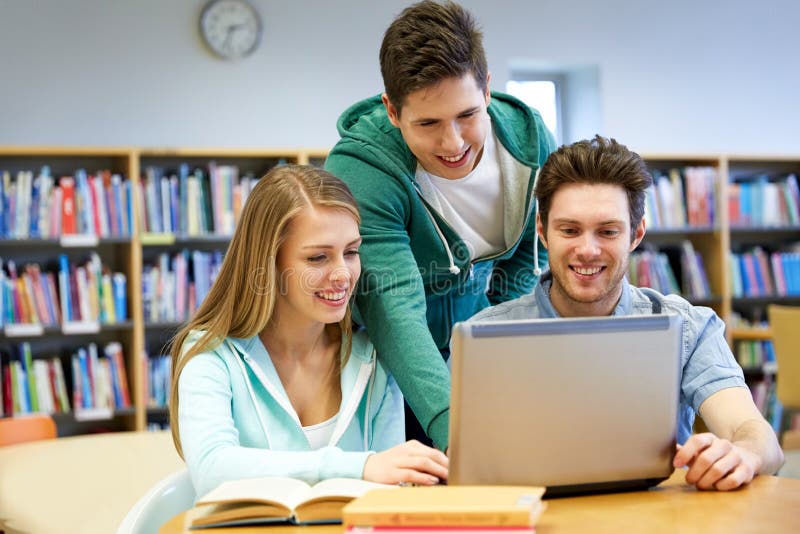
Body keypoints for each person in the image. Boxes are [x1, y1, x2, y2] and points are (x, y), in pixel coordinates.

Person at [469, 135, 785, 490]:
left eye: (607, 231)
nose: (587, 250)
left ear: (636, 234)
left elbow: (754, 434)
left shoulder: (687, 327)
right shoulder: (485, 337)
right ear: (543, 232)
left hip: (652, 512)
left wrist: (744, 453)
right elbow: (464, 459)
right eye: (570, 230)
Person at [324, 0, 554, 450]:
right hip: (389, 369)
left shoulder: (529, 142)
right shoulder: (363, 168)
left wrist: (497, 346)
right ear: (393, 111)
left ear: (487, 90)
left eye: (467, 115)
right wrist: (456, 430)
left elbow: (532, 251)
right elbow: (393, 307)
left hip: (478, 353)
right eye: (428, 123)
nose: (453, 143)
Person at [169, 165, 448, 497]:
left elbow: (389, 489)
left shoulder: (374, 357)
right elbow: (212, 470)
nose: (343, 274)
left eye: (351, 252)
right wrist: (357, 466)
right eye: (318, 258)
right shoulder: (210, 354)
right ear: (268, 263)